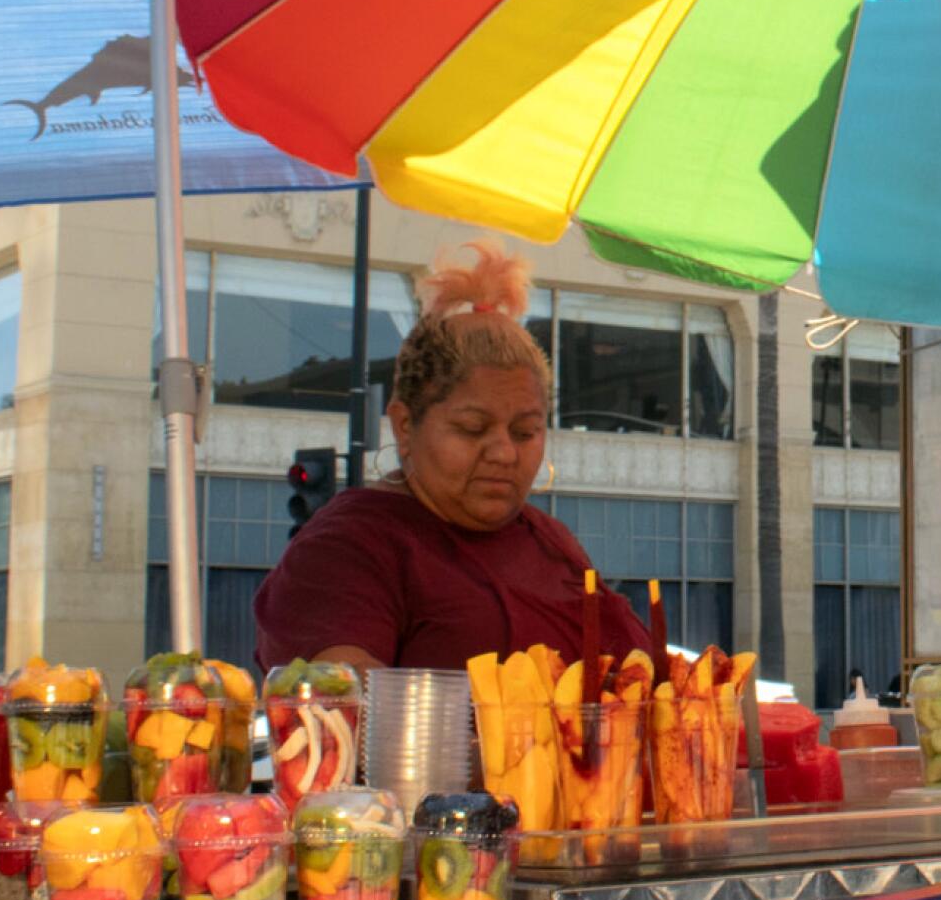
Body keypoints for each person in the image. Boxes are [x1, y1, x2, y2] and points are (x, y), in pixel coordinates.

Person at [255, 239, 649, 675]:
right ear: (405, 425)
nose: (503, 452)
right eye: (471, 428)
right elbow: (341, 709)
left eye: (525, 432)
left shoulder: (553, 542)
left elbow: (640, 676)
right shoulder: (345, 548)